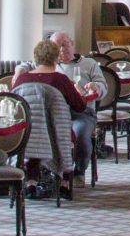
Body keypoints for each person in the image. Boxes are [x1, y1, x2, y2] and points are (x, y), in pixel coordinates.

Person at [48, 31, 106, 180]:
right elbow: (29, 64)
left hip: (82, 112)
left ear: (72, 44)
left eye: (65, 44)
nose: (62, 49)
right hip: (56, 113)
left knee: (80, 134)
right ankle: (50, 173)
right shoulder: (50, 65)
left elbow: (103, 85)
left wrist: (96, 87)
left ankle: (79, 171)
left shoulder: (89, 63)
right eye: (57, 46)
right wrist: (20, 69)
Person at [13, 41, 90, 117]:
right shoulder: (61, 79)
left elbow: (13, 105)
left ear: (35, 58)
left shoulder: (21, 79)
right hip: (56, 123)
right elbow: (80, 107)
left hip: (28, 123)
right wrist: (81, 93)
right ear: (57, 58)